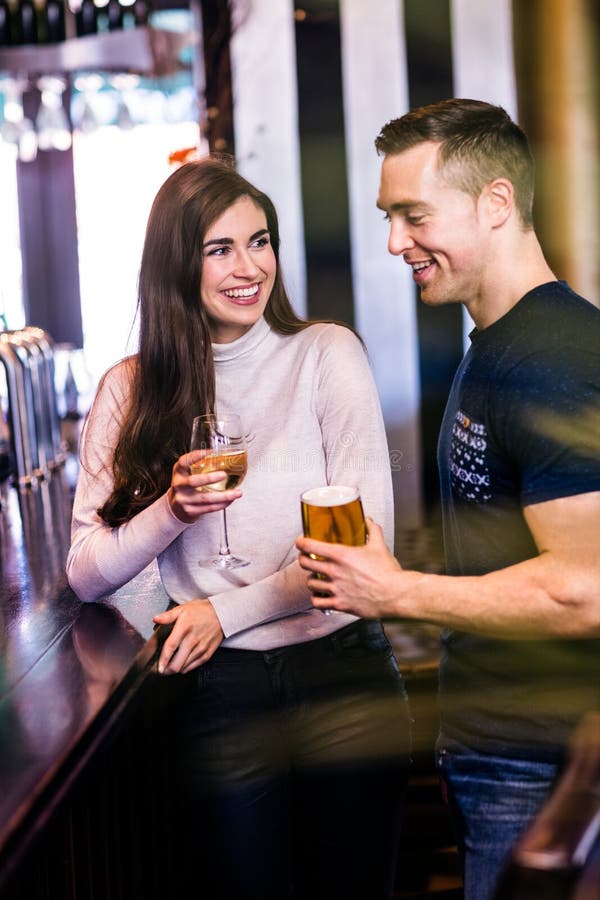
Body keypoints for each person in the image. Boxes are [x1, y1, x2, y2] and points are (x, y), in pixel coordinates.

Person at [66, 157, 410, 900]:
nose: (248, 267)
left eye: (260, 241)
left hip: (343, 675)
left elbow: (362, 549)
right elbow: (86, 571)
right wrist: (171, 512)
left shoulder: (326, 354)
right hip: (220, 695)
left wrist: (223, 611)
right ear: (174, 265)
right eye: (219, 249)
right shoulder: (127, 390)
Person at [296, 98, 600, 900]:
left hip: (539, 756)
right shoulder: (501, 343)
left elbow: (585, 590)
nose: (396, 241)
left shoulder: (554, 359)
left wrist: (391, 590)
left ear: (496, 202)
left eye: (413, 214)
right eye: (389, 216)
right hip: (498, 741)